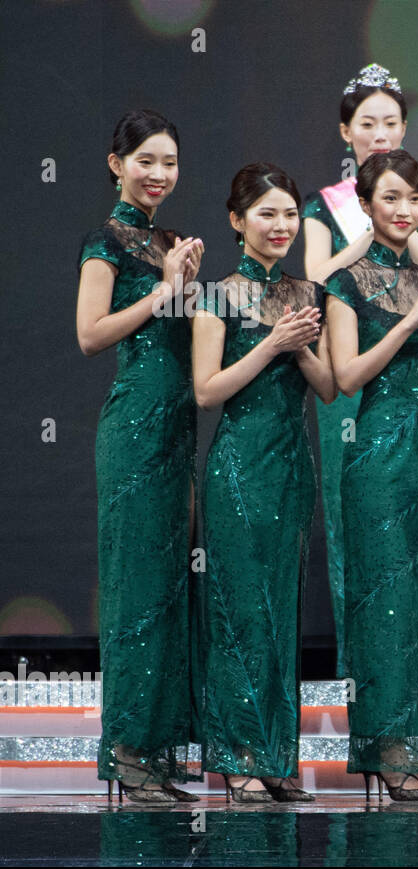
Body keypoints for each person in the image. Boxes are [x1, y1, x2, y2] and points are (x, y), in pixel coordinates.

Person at [303, 63, 418, 677]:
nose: (381, 133)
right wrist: (368, 233)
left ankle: (406, 666)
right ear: (346, 132)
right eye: (368, 123)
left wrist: (401, 217)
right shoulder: (322, 204)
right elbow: (315, 281)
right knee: (353, 519)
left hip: (412, 374)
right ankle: (356, 664)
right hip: (348, 366)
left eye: (391, 122)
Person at [192, 163, 336, 803]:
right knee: (238, 613)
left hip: (290, 470)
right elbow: (206, 391)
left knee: (280, 615)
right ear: (236, 220)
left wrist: (299, 345)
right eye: (266, 214)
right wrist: (272, 342)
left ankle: (277, 760)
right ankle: (237, 757)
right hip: (238, 472)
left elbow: (330, 387)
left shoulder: (309, 293)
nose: (280, 226)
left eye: (289, 214)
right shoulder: (215, 296)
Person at [76, 109, 204, 803]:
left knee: (170, 588)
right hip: (133, 430)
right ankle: (127, 751)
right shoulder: (107, 242)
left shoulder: (171, 241)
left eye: (170, 164)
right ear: (116, 162)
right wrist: (163, 292)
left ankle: (156, 746)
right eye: (146, 161)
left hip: (179, 427)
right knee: (134, 589)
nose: (159, 175)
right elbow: (90, 335)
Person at [324, 149, 418, 801]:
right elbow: (346, 376)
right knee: (381, 604)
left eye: (413, 200)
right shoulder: (345, 281)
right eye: (391, 199)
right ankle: (385, 751)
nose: (404, 211)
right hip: (375, 453)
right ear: (367, 204)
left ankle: (410, 748)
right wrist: (407, 321)